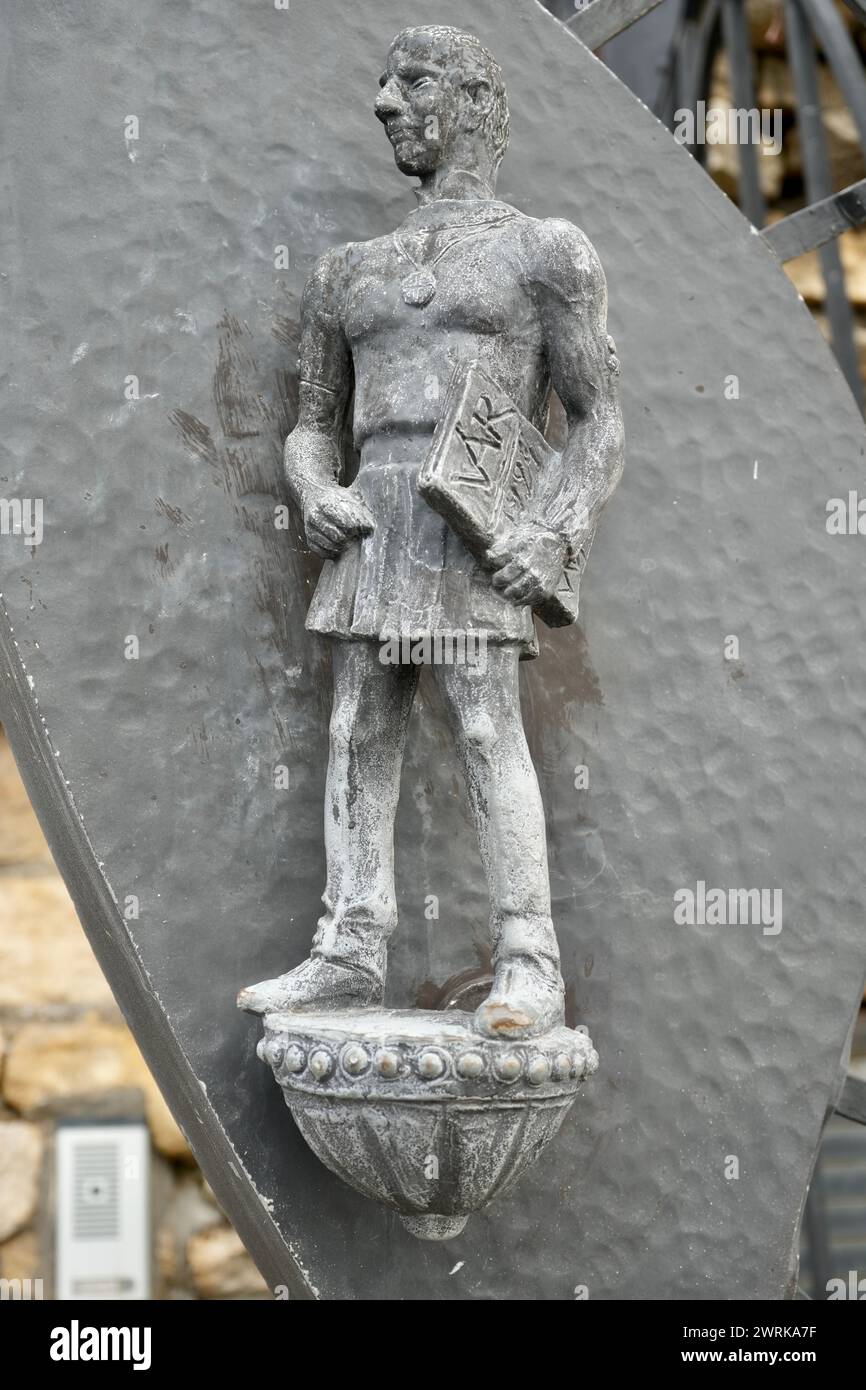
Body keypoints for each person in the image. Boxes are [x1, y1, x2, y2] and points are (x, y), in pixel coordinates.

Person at [238, 25, 624, 1038]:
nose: (382, 102)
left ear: (471, 104)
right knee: (357, 726)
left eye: (408, 82)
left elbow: (598, 416)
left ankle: (527, 960)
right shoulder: (345, 273)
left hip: (469, 519)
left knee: (487, 723)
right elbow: (311, 425)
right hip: (375, 516)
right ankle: (347, 948)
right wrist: (315, 489)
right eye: (381, 81)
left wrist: (554, 530)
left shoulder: (543, 252)